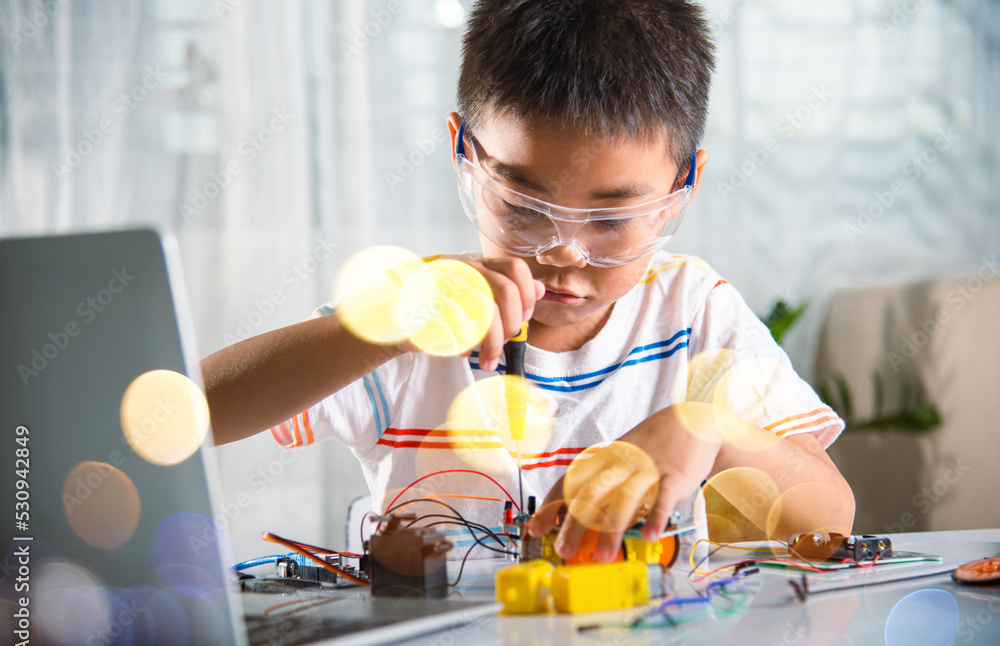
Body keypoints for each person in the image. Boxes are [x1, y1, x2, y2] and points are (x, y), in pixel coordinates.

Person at [201, 0, 854, 562]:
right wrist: (384, 326)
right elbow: (191, 411)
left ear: (684, 184)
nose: (565, 253)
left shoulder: (695, 313)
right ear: (464, 151)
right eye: (523, 207)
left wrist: (713, 430)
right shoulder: (421, 313)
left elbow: (829, 520)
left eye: (611, 219)